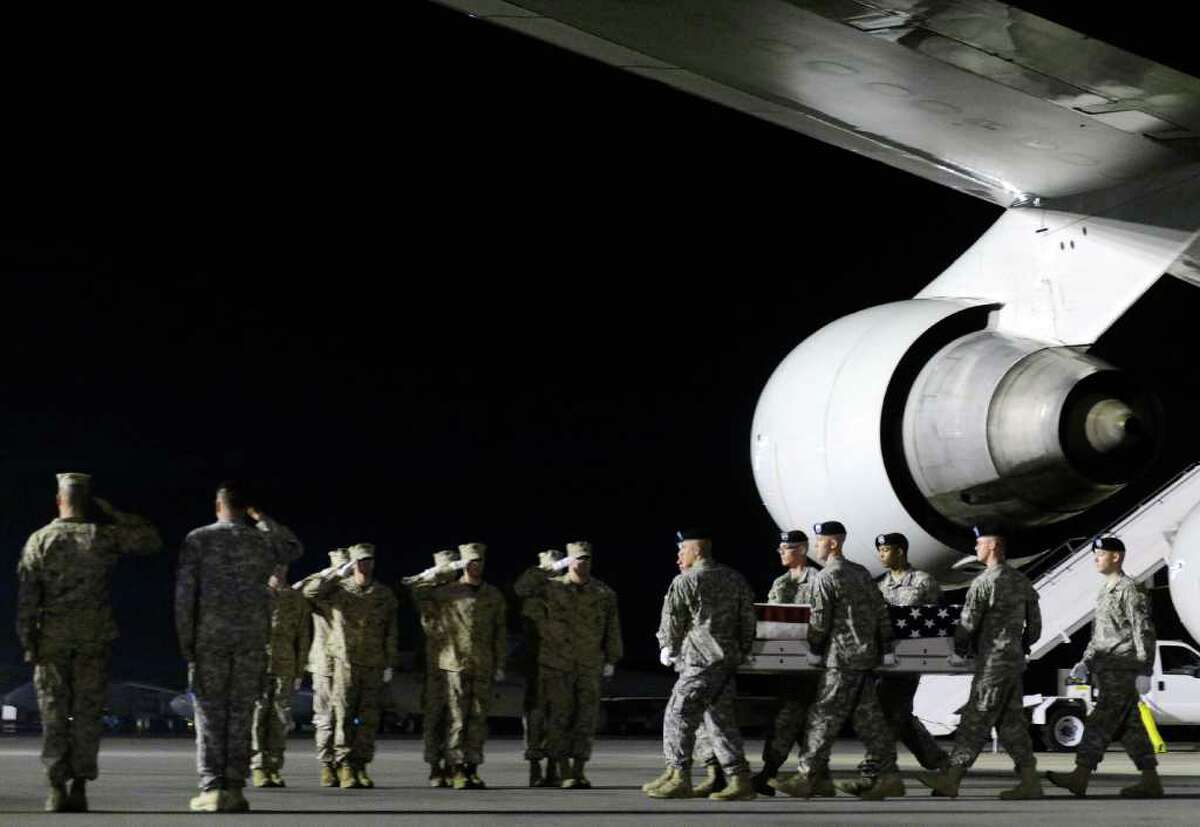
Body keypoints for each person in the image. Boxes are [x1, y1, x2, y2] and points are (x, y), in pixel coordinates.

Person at [16, 472, 162, 812]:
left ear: (58, 500)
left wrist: (27, 641)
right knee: (87, 714)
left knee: (54, 713)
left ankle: (55, 787)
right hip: (93, 638)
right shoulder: (102, 536)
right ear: (87, 501)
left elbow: (27, 598)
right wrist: (114, 513)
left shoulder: (40, 540)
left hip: (51, 639)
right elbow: (150, 540)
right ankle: (79, 786)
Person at [175, 482, 301, 813]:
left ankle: (213, 787)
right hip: (251, 640)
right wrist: (261, 518)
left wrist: (186, 640)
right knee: (242, 714)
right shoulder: (261, 540)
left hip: (210, 639)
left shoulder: (199, 539)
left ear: (217, 506)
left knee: (210, 714)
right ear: (246, 508)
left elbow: (185, 595)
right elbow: (292, 548)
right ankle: (234, 787)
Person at [771, 521, 901, 801]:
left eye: (819, 541)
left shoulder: (826, 576)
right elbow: (881, 611)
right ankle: (889, 776)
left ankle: (807, 777)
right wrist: (886, 646)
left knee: (822, 717)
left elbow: (820, 620)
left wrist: (815, 649)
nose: (816, 546)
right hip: (864, 657)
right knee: (870, 721)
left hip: (840, 659)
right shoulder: (861, 572)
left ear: (832, 543)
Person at [916, 522, 1043, 800]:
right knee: (1011, 725)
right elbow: (1035, 627)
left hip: (992, 664)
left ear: (993, 546)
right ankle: (1030, 780)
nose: (975, 548)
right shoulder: (1021, 581)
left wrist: (961, 646)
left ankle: (952, 777)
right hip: (1012, 663)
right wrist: (1022, 646)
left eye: (979, 543)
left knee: (975, 719)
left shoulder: (984, 582)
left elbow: (967, 624)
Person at [644, 529, 757, 801]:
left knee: (678, 713)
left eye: (682, 550)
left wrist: (667, 646)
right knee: (720, 720)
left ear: (695, 551)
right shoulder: (734, 578)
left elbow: (673, 619)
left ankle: (679, 774)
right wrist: (741, 650)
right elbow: (748, 620)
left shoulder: (687, 580)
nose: (679, 555)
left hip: (699, 661)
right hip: (727, 660)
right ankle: (739, 779)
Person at [1047, 536, 1162, 798]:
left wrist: (1145, 669)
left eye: (1101, 554)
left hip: (1122, 668)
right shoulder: (1104, 591)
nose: (1096, 559)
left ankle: (1080, 776)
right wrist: (1085, 662)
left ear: (1116, 557)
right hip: (1106, 669)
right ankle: (1151, 780)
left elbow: (1143, 631)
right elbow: (1099, 636)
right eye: (1095, 555)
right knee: (1130, 727)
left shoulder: (1129, 590)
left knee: (1099, 722)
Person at [839, 532, 948, 795]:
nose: (881, 555)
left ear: (901, 551)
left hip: (910, 661)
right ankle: (943, 765)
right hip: (884, 661)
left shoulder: (923, 582)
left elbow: (935, 621)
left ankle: (872, 773)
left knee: (885, 715)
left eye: (886, 549)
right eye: (880, 550)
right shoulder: (880, 586)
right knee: (900, 717)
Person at [523, 541, 622, 789]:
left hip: (589, 665)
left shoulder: (604, 593)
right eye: (577, 558)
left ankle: (579, 770)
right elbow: (522, 587)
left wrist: (612, 658)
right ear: (568, 561)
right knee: (560, 718)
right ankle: (563, 770)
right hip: (557, 665)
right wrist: (552, 567)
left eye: (586, 558)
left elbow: (612, 628)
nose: (582, 562)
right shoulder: (551, 588)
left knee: (586, 720)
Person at [410, 542, 507, 789]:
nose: (476, 566)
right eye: (470, 562)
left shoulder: (493, 595)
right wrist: (443, 571)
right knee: (455, 718)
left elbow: (500, 632)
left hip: (482, 663)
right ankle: (454, 766)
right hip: (453, 663)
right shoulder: (447, 592)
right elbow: (415, 589)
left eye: (479, 561)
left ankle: (471, 766)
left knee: (477, 718)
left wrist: (500, 662)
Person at [303, 543, 399, 789]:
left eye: (368, 560)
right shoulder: (337, 591)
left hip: (373, 663)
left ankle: (360, 765)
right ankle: (340, 764)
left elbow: (391, 631)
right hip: (341, 663)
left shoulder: (383, 594)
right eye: (358, 561)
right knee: (339, 716)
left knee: (368, 718)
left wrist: (389, 662)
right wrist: (337, 572)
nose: (363, 565)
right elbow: (310, 593)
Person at [751, 529, 822, 797]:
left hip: (812, 664)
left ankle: (770, 773)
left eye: (787, 548)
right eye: (780, 548)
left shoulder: (817, 580)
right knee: (796, 721)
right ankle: (817, 776)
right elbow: (773, 623)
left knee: (789, 718)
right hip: (786, 664)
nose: (781, 552)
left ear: (802, 550)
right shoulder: (780, 583)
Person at [401, 548, 462, 787]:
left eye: (453, 568)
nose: (450, 574)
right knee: (434, 718)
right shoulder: (427, 594)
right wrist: (433, 573)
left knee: (457, 718)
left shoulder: (463, 593)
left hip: (459, 664)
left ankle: (455, 764)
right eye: (446, 569)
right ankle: (436, 766)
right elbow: (412, 585)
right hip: (435, 665)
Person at [250, 563, 311, 788]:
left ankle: (274, 767)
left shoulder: (295, 599)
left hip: (285, 666)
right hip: (256, 666)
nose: (278, 570)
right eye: (273, 565)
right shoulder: (254, 595)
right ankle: (258, 766)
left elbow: (303, 637)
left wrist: (299, 669)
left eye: (282, 566)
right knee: (257, 717)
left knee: (280, 718)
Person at [294, 548, 349, 786]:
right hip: (325, 662)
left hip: (350, 663)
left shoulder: (356, 596)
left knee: (348, 717)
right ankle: (327, 764)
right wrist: (331, 573)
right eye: (343, 568)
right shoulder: (320, 595)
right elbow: (305, 589)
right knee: (326, 717)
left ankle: (347, 764)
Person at [513, 548, 566, 786]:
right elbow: (520, 587)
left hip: (561, 664)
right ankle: (535, 766)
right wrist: (544, 570)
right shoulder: (531, 598)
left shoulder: (568, 595)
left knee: (558, 716)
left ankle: (554, 766)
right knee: (534, 717)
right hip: (536, 665)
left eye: (558, 566)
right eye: (549, 567)